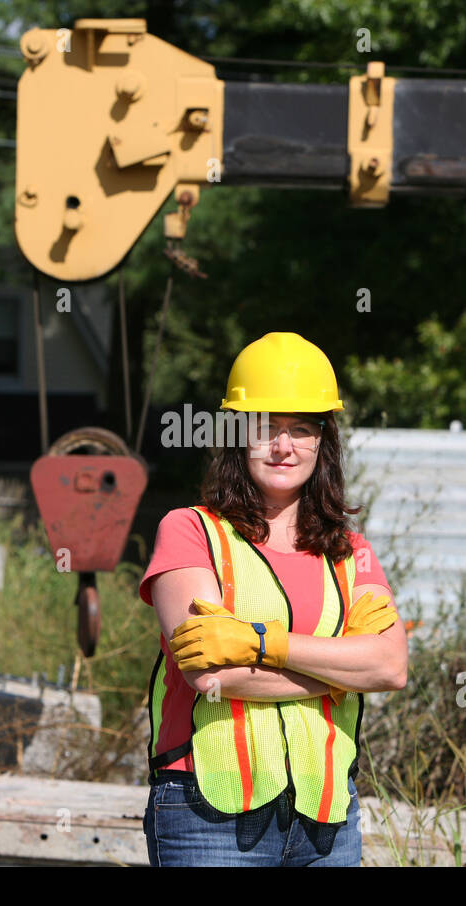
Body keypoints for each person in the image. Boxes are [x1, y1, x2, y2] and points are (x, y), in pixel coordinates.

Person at [138, 331, 406, 866]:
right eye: (267, 429)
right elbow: (212, 676)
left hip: (327, 819)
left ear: (321, 444)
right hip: (207, 816)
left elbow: (391, 667)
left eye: (301, 430)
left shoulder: (352, 552)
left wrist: (260, 643)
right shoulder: (191, 532)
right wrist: (338, 671)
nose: (284, 447)